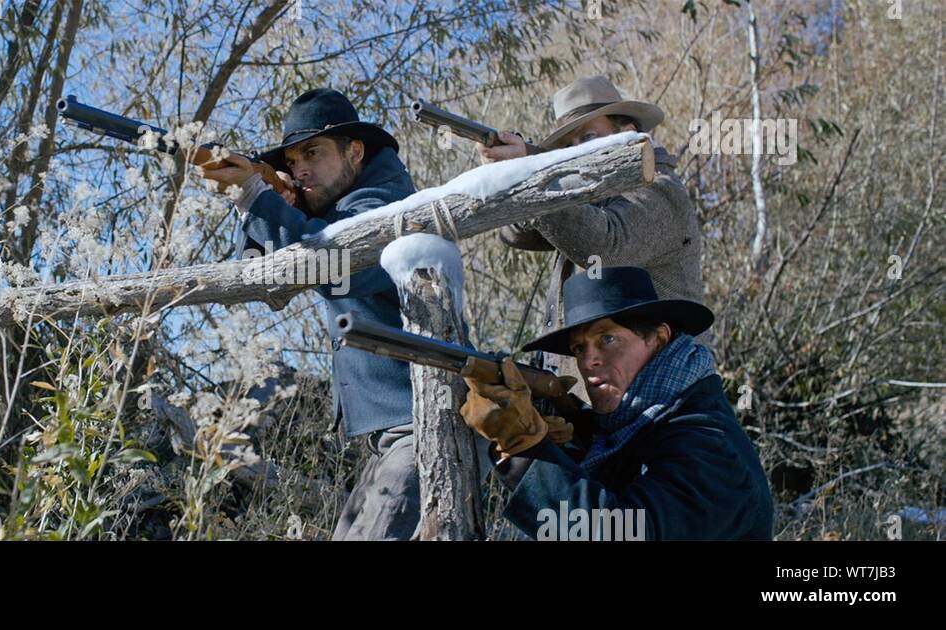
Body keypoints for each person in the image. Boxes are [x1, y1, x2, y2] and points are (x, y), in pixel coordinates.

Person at [200, 88, 424, 539]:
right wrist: (259, 201)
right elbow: (263, 274)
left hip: (419, 429)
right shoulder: (335, 212)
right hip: (389, 438)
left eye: (313, 153)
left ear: (355, 151)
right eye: (291, 160)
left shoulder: (386, 202)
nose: (300, 168)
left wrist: (258, 198)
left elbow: (337, 265)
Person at [459, 267, 773, 540]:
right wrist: (568, 441)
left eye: (607, 339)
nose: (589, 360)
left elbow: (626, 531)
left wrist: (524, 447)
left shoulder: (707, 445)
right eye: (579, 348)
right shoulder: (629, 428)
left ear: (659, 339)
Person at [479, 75, 705, 387]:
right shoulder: (589, 198)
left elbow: (603, 246)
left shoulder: (661, 191)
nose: (577, 153)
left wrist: (530, 176)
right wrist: (514, 176)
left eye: (588, 138)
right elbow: (516, 233)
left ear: (627, 133)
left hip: (662, 384)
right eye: (568, 146)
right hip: (601, 387)